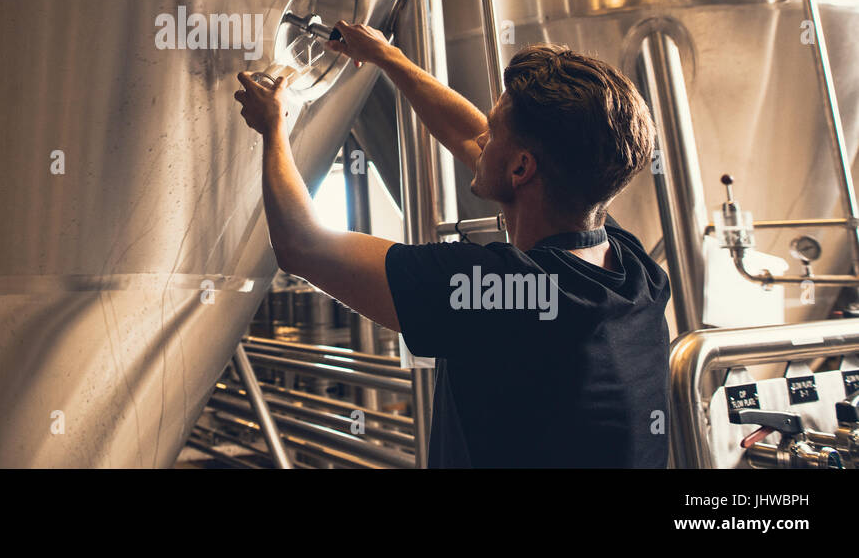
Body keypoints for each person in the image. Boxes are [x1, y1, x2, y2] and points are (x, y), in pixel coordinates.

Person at [233, 23, 672, 467]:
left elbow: (302, 247)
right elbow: (471, 136)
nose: (482, 138)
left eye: (495, 131)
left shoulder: (498, 292)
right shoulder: (632, 269)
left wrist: (273, 129)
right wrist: (389, 58)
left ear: (521, 168)